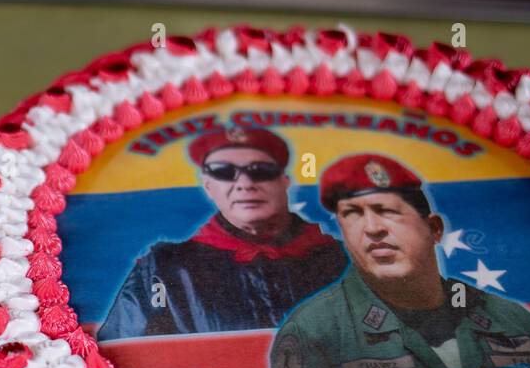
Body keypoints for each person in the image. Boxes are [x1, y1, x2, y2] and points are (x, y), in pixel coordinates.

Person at [268, 153, 530, 368]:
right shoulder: (315, 331)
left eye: (387, 211)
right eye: (352, 215)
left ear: (434, 229)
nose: (372, 229)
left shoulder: (508, 318)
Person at [95, 126, 347, 341]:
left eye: (260, 171)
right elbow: (123, 354)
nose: (245, 183)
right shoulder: (162, 269)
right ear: (209, 187)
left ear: (284, 182)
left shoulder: (342, 259)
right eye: (223, 172)